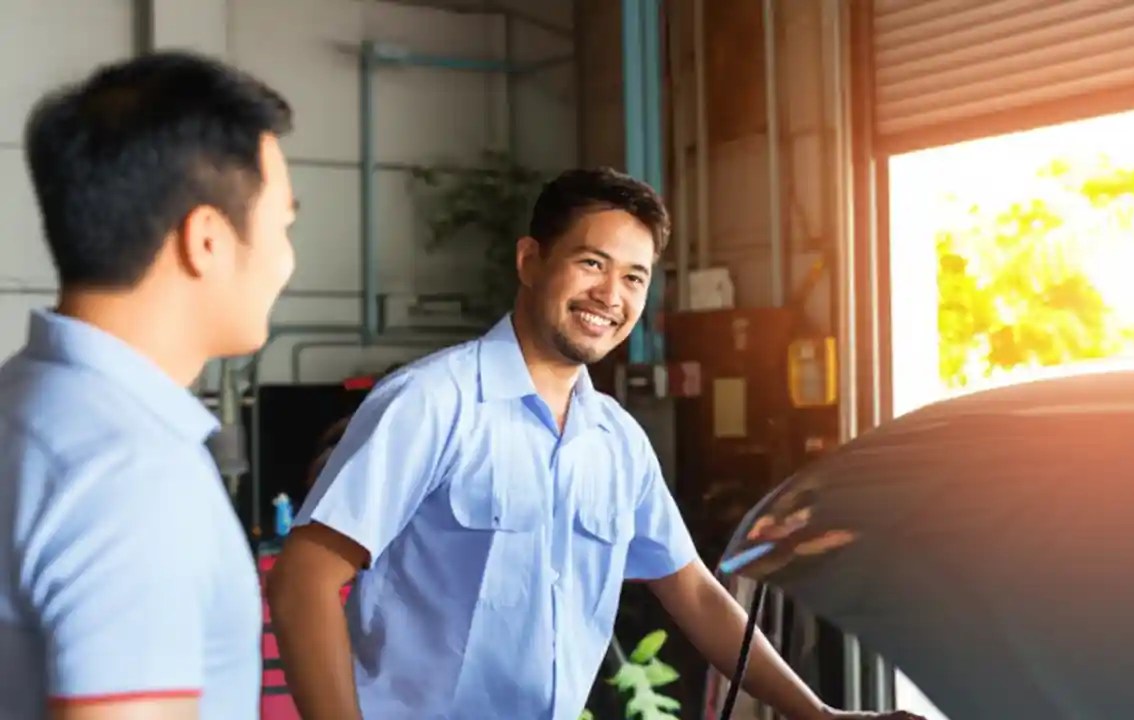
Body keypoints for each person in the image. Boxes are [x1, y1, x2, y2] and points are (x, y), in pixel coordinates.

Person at [267, 168, 922, 720]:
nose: (611, 295)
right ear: (530, 261)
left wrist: (818, 716)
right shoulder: (432, 403)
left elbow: (691, 591)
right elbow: (304, 581)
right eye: (591, 263)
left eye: (635, 277)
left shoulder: (614, 440)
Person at [0, 52, 297, 718]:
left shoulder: (25, 406)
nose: (287, 259)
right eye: (283, 225)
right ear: (208, 240)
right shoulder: (129, 471)